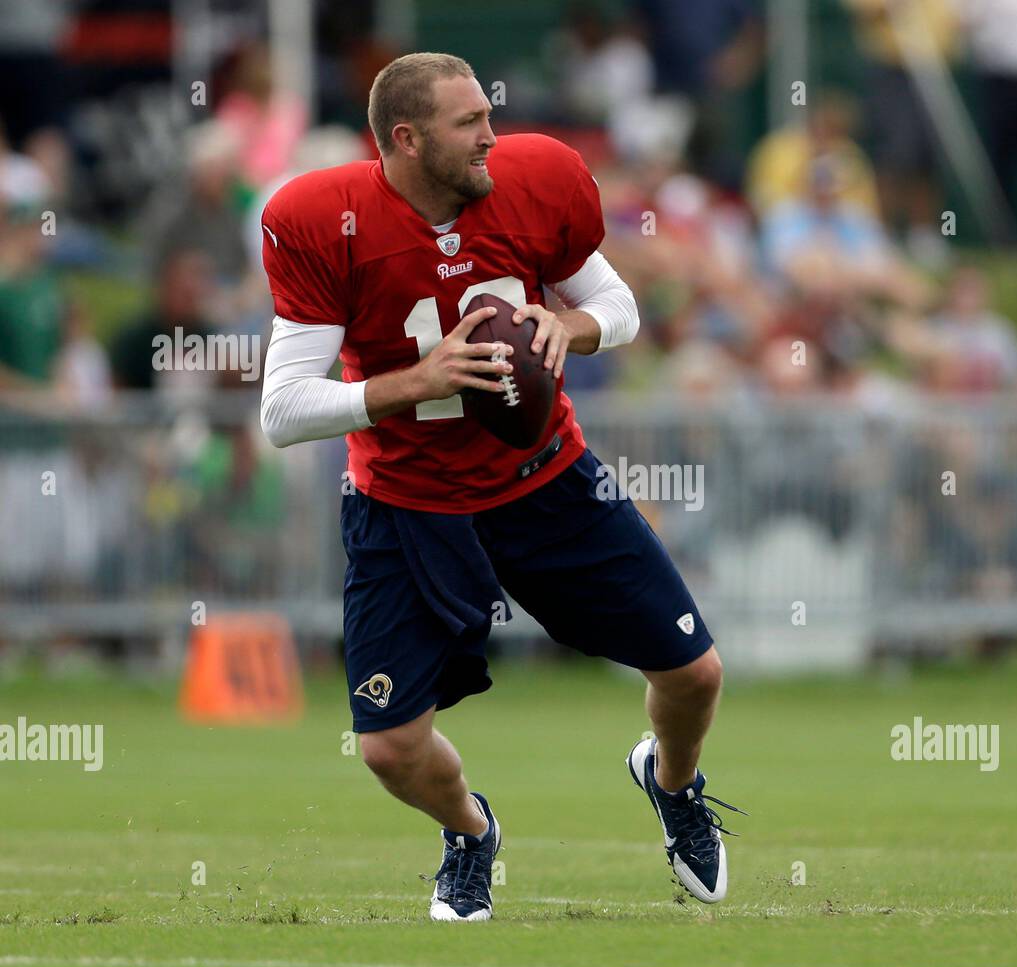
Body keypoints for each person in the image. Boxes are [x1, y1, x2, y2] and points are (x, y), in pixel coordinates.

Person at [257, 53, 738, 922]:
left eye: (489, 112)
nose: (491, 133)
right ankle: (471, 833)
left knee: (695, 671)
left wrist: (572, 324)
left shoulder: (533, 181)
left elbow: (620, 304)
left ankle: (672, 784)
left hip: (545, 478)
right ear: (406, 139)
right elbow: (283, 408)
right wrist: (418, 378)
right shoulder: (326, 218)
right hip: (405, 498)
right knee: (389, 748)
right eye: (468, 121)